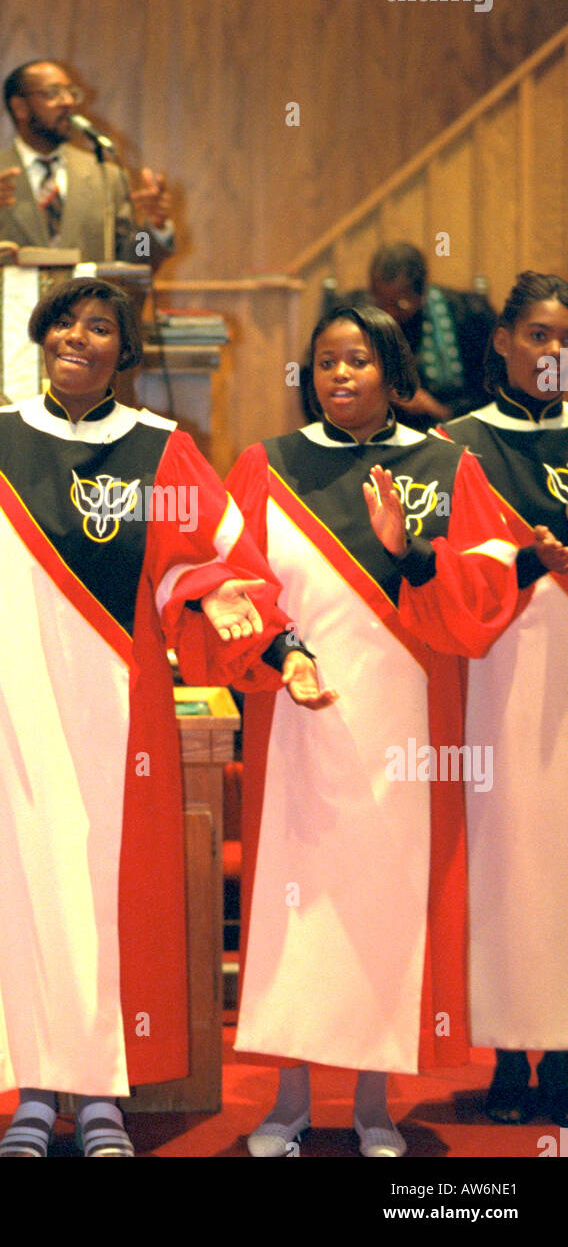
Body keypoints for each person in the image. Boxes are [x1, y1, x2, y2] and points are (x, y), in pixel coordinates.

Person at [0, 276, 331, 1157]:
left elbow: (198, 564)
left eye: (100, 328)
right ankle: (33, 1098)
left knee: (109, 896)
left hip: (120, 713)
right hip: (17, 707)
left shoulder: (161, 451)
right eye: (65, 322)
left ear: (124, 353)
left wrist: (224, 607)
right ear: (42, 335)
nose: (77, 337)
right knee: (24, 890)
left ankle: (99, 1101)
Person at [227, 304, 520, 1157]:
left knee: (384, 914)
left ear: (394, 374)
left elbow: (484, 594)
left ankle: (372, 1108)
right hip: (295, 722)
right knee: (296, 919)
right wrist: (280, 651)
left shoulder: (446, 466)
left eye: (357, 361)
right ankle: (286, 1105)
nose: (340, 376)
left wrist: (413, 555)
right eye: (324, 362)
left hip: (405, 725)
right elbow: (232, 582)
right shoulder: (266, 467)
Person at [440, 272, 568, 1128]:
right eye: (538, 336)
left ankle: (560, 1052)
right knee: (506, 857)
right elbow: (444, 565)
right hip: (501, 664)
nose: (552, 353)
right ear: (502, 342)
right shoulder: (457, 444)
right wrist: (523, 562)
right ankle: (506, 1056)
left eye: (564, 340)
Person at [0, 59, 174, 267]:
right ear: (21, 107)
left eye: (71, 93)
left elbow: (133, 263)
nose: (68, 102)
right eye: (53, 93)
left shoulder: (106, 176)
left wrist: (155, 229)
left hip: (84, 321)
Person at [305, 242, 495, 429]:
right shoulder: (350, 316)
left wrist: (440, 410)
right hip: (368, 431)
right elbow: (311, 376)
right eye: (380, 302)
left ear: (422, 295)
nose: (389, 314)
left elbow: (490, 388)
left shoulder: (468, 314)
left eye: (399, 305)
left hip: (444, 428)